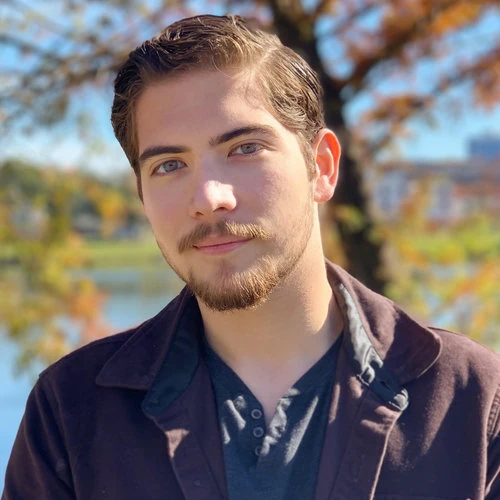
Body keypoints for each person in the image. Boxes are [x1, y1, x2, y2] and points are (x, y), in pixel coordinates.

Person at [3, 14, 500, 500]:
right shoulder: (70, 412)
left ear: (322, 167)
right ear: (142, 196)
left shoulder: (471, 400)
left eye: (244, 148)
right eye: (169, 164)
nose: (209, 198)